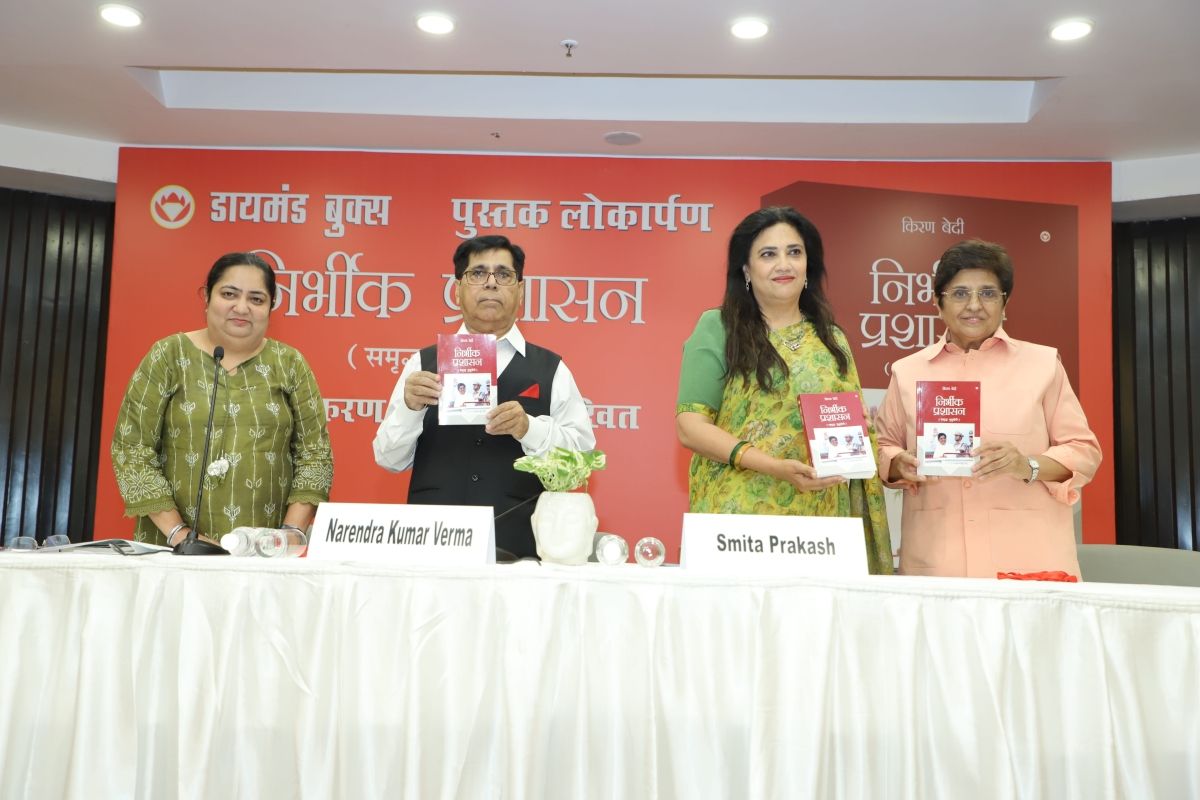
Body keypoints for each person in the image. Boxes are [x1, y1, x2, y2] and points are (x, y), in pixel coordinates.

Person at [675, 206, 893, 574]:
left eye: (795, 252)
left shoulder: (832, 339)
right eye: (768, 254)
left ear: (809, 265)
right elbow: (690, 426)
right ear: (745, 269)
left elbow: (846, 431)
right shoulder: (718, 327)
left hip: (820, 529)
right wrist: (774, 467)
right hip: (739, 524)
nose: (784, 264)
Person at [875, 239, 1101, 578]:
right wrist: (898, 465)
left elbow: (1084, 452)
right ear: (939, 304)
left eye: (988, 293)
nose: (974, 305)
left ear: (1005, 304)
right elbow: (881, 447)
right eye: (960, 293)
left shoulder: (1043, 365)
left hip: (1028, 563)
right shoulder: (907, 372)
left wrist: (1027, 464)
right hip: (938, 565)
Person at [373, 235, 595, 559]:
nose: (491, 284)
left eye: (503, 275)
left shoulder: (552, 369)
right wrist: (410, 409)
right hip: (431, 548)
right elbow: (388, 459)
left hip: (518, 553)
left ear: (520, 291)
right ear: (457, 289)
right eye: (477, 274)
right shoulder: (422, 365)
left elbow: (581, 461)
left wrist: (529, 429)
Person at [111, 252, 334, 547]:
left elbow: (315, 456)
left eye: (256, 299)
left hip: (263, 552)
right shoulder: (168, 356)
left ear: (271, 307)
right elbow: (132, 450)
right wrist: (180, 535)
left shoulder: (289, 364)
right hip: (174, 550)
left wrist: (288, 534)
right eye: (229, 294)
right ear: (206, 297)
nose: (241, 307)